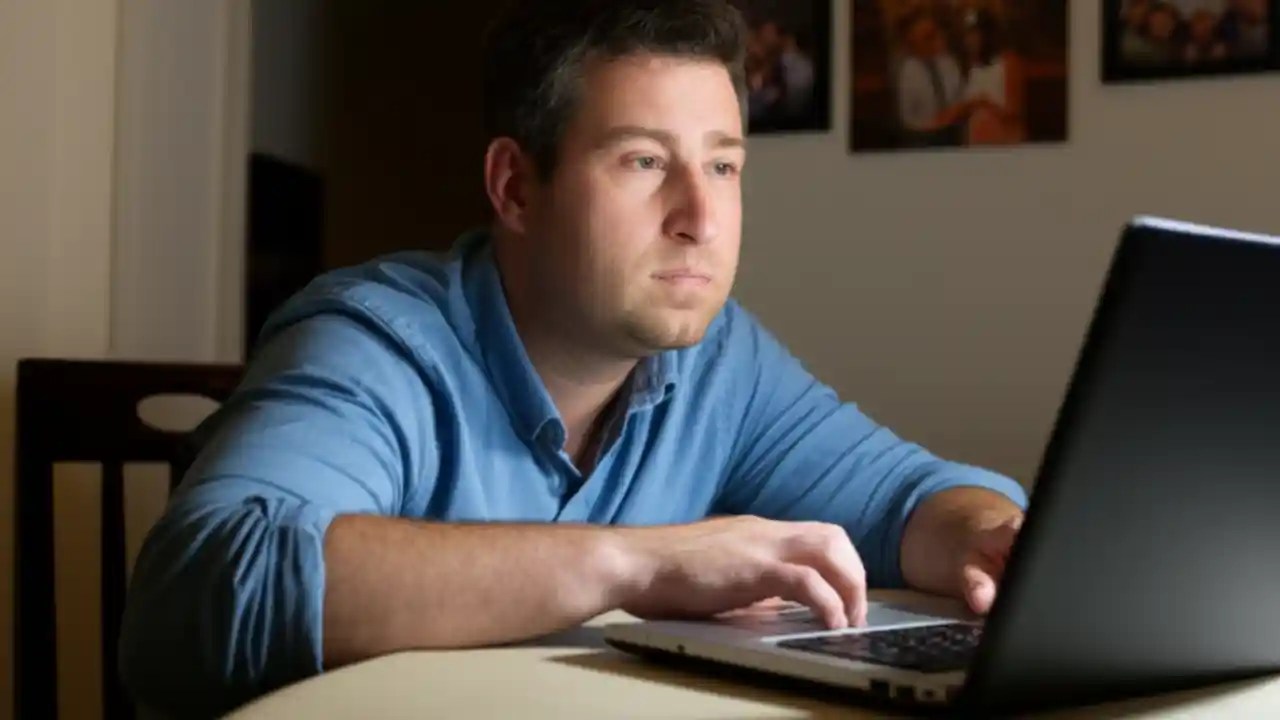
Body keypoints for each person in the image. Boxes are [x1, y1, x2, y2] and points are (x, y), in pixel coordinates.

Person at [118, 1, 1028, 717]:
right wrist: (638, 566)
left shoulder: (721, 363)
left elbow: (908, 497)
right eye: (642, 162)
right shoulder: (373, 340)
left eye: (722, 167)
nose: (701, 219)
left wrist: (987, 535)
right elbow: (200, 592)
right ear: (516, 185)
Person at [894, 9, 970, 147]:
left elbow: (963, 95)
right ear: (911, 42)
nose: (937, 39)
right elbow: (908, 120)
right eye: (927, 37)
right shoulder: (907, 72)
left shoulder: (948, 61)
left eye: (935, 33)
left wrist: (956, 113)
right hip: (925, 138)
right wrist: (936, 124)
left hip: (956, 130)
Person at [959, 8, 1026, 145]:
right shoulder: (972, 66)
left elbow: (1014, 111)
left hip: (1003, 139)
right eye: (967, 34)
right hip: (976, 140)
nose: (968, 40)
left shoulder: (1008, 61)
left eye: (973, 34)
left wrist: (985, 103)